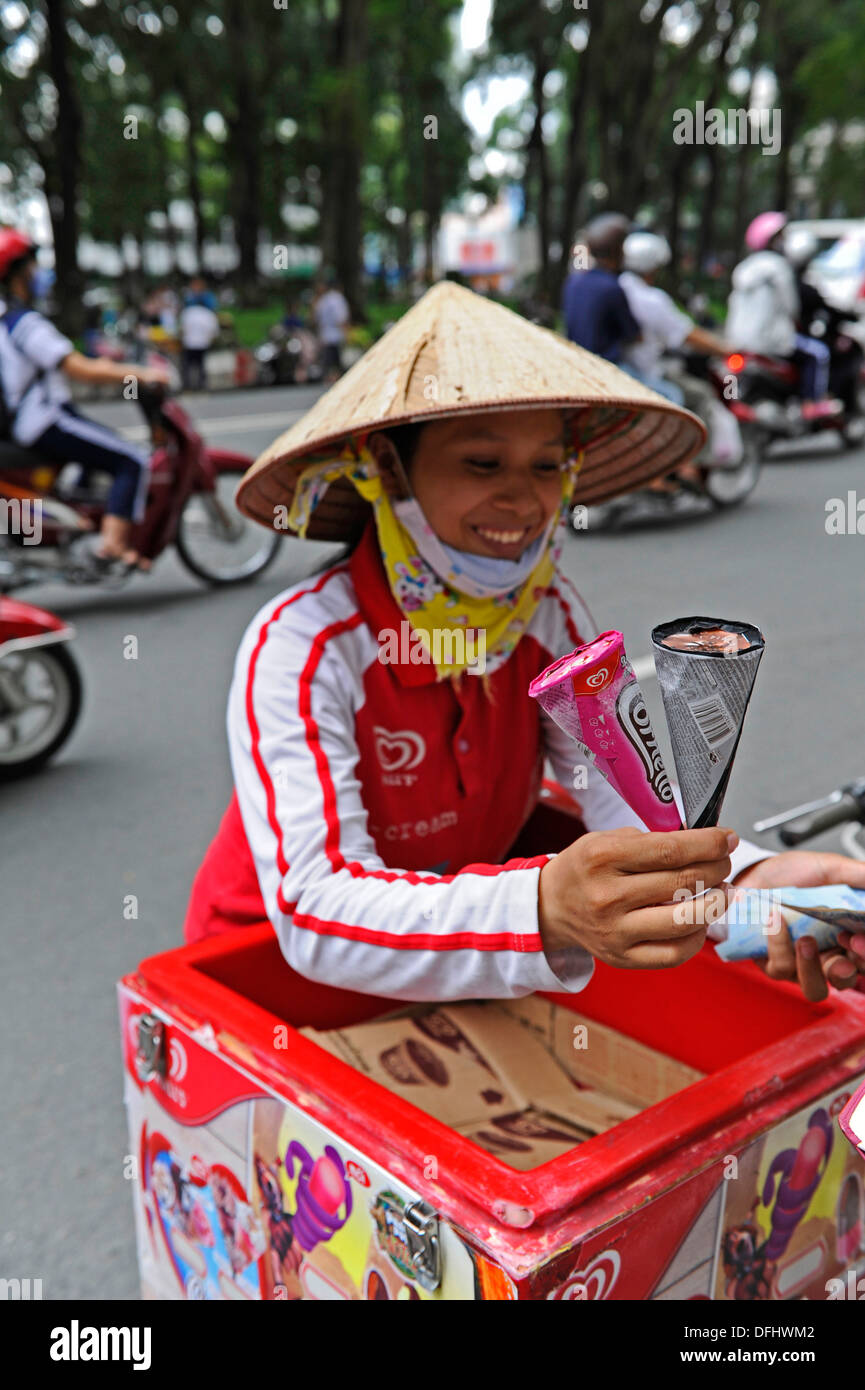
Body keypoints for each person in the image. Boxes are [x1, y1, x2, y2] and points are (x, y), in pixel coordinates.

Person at [183, 280, 865, 1004]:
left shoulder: (546, 617)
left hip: (453, 970)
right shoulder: (303, 646)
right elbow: (314, 907)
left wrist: (752, 881)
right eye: (482, 464)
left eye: (546, 466)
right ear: (387, 466)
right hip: (261, 985)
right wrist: (540, 907)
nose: (525, 500)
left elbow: (622, 802)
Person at [0, 228, 169, 573]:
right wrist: (140, 374)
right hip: (46, 420)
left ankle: (87, 528)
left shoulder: (5, 322)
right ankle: (112, 546)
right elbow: (81, 369)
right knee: (132, 460)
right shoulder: (25, 324)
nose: (39, 275)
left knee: (96, 454)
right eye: (33, 267)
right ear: (19, 273)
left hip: (27, 422)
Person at [725, 213, 835, 421]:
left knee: (728, 376)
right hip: (772, 340)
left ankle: (732, 403)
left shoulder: (744, 268)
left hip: (737, 340)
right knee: (818, 353)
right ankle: (811, 402)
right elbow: (790, 306)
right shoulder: (778, 266)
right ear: (773, 240)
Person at [619, 232, 731, 405]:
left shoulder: (618, 286)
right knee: (701, 396)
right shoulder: (652, 299)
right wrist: (726, 349)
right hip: (644, 375)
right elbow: (687, 335)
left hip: (621, 371)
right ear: (654, 267)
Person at [561, 213, 640, 364]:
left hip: (575, 360)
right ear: (619, 250)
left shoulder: (573, 281)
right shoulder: (612, 288)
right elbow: (634, 335)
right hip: (604, 366)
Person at [179, 283, 220, 392]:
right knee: (201, 365)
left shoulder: (187, 312)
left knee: (187, 366)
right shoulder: (209, 314)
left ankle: (187, 385)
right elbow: (214, 332)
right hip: (203, 343)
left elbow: (182, 330)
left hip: (189, 343)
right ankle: (201, 385)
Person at [312, 275, 350, 382]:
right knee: (338, 363)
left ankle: (329, 378)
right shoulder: (337, 298)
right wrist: (346, 333)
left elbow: (315, 318)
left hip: (325, 335)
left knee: (329, 362)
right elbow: (341, 318)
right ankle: (337, 379)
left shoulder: (322, 300)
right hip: (337, 335)